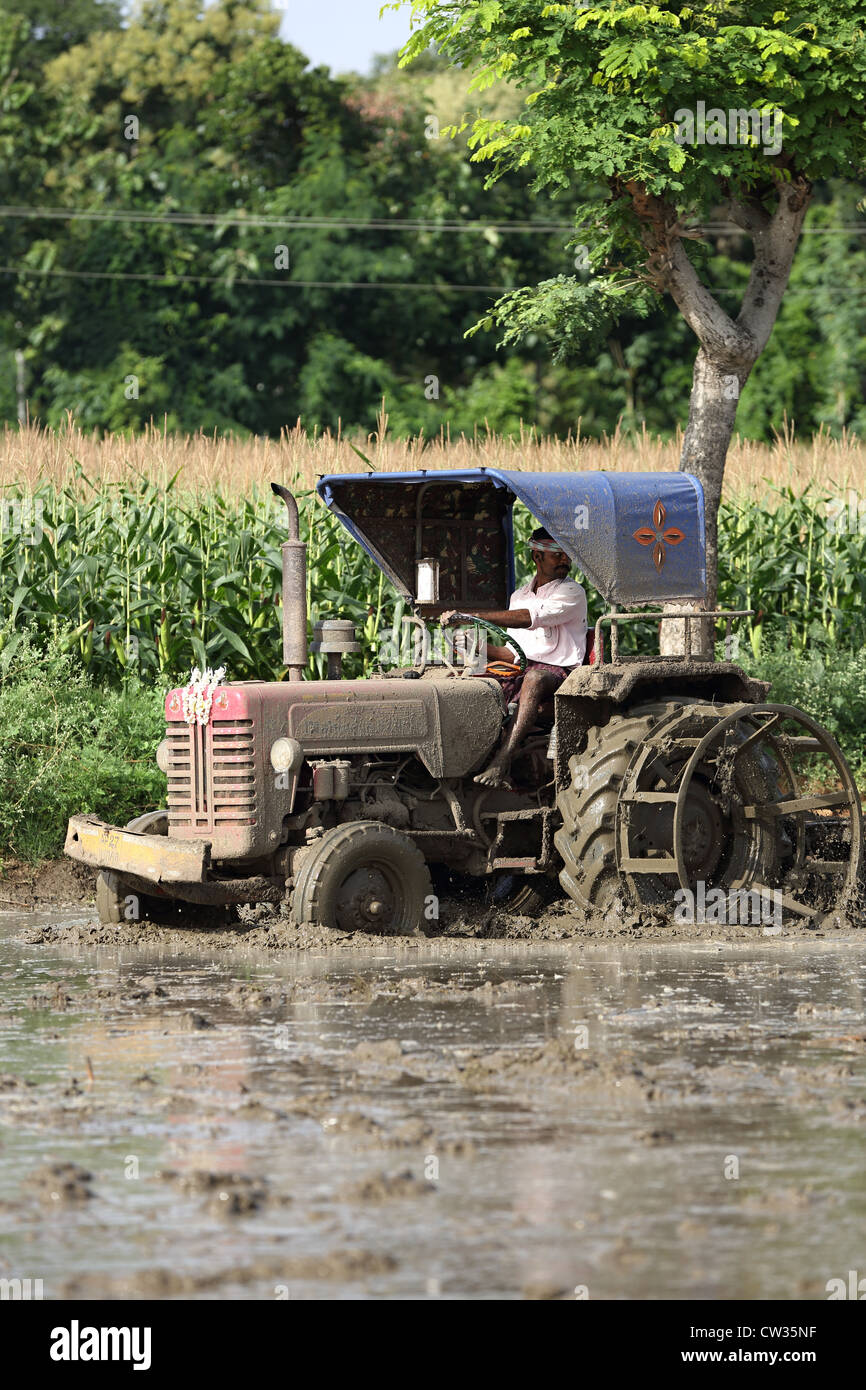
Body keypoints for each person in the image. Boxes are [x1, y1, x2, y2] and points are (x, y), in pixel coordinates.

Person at [440, 527, 587, 788]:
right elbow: (513, 653)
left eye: (567, 555)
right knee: (469, 680)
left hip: (561, 674)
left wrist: (471, 616)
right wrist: (477, 648)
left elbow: (527, 619)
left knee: (535, 678)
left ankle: (503, 759)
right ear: (536, 556)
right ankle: (465, 759)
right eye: (557, 555)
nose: (565, 560)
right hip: (523, 667)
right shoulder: (519, 596)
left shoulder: (572, 592)